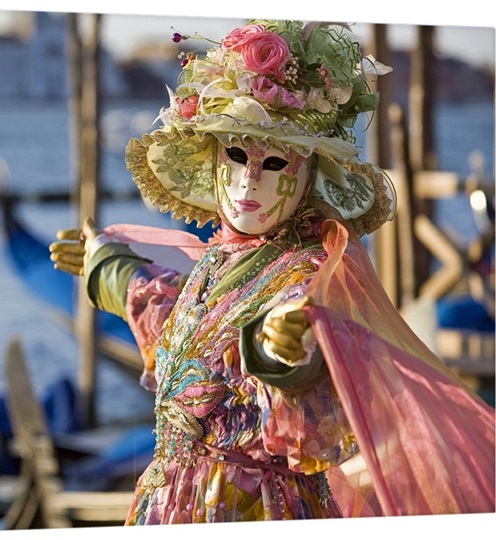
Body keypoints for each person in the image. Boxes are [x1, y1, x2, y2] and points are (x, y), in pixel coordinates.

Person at [50, 19, 495, 523]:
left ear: (309, 176)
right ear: (214, 158)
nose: (249, 179)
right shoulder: (219, 259)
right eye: (236, 155)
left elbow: (295, 339)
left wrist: (281, 347)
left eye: (276, 163)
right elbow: (177, 318)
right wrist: (107, 265)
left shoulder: (307, 272)